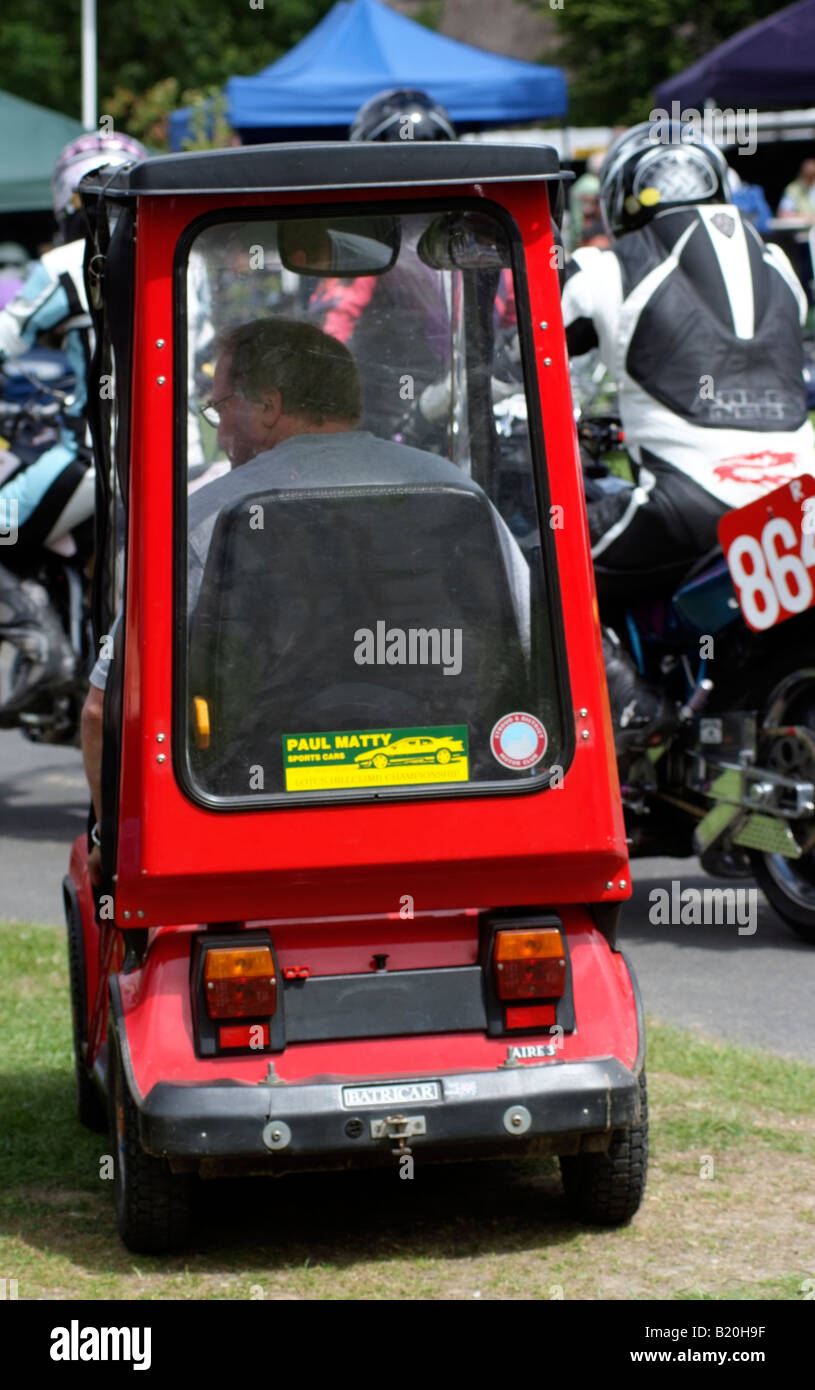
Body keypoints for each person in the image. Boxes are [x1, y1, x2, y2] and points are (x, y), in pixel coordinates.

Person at [81, 316, 531, 873]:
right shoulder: (462, 494)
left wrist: (108, 841)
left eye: (221, 412)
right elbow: (526, 646)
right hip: (457, 802)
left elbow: (105, 711)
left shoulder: (200, 520)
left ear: (268, 406)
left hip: (256, 830)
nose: (220, 436)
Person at [562, 121, 815, 750]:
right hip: (799, 495)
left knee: (541, 565)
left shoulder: (602, 267)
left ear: (623, 193)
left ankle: (636, 712)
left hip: (693, 500)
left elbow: (527, 357)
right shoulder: (778, 263)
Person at [0, 131, 145, 713]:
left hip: (98, 457)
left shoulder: (66, 263)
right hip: (185, 459)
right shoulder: (185, 254)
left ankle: (44, 648)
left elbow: (8, 335)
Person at [778, 158, 815, 223]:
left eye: (812, 176)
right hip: (800, 229)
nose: (811, 180)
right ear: (801, 174)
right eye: (808, 176)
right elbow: (783, 214)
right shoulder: (793, 189)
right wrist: (805, 217)